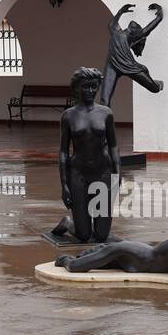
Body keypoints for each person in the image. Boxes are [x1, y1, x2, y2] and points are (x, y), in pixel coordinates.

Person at [51, 66, 120, 243]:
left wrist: (117, 174)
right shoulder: (68, 116)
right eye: (85, 86)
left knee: (101, 235)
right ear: (76, 88)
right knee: (83, 235)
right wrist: (64, 184)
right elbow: (64, 152)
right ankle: (68, 223)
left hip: (102, 173)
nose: (90, 91)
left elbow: (113, 145)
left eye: (94, 86)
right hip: (78, 174)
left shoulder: (106, 113)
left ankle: (82, 222)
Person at [101, 3, 164, 106]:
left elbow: (147, 30)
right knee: (105, 101)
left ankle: (157, 84)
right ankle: (104, 120)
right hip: (112, 66)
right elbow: (112, 23)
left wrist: (121, 11)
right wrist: (159, 14)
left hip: (129, 67)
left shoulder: (124, 34)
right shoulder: (117, 33)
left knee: (154, 89)